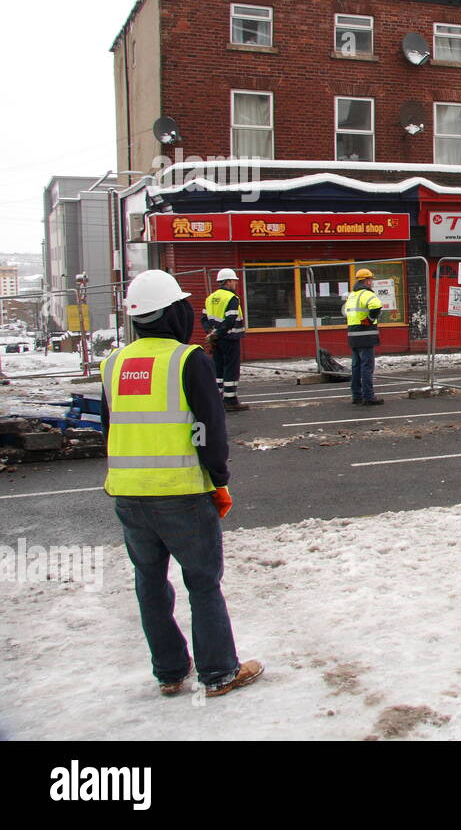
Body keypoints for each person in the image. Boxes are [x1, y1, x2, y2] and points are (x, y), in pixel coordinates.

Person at [102, 269, 262, 698]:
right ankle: (219, 672)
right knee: (203, 583)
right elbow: (210, 429)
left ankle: (170, 671)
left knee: (149, 584)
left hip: (128, 495)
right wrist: (219, 479)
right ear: (172, 312)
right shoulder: (187, 360)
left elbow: (110, 427)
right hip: (182, 492)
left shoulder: (113, 363)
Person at [202, 268, 248, 412]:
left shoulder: (210, 298)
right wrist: (218, 333)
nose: (235, 283)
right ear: (228, 282)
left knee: (219, 369)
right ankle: (230, 401)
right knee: (231, 369)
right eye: (234, 281)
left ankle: (218, 399)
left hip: (216, 340)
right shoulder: (231, 298)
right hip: (230, 338)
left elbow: (204, 319)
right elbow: (230, 320)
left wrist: (211, 334)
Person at [343, 268, 385, 406]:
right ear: (367, 281)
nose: (372, 282)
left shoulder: (352, 295)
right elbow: (377, 306)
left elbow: (345, 312)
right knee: (367, 367)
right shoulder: (366, 294)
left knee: (356, 366)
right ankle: (368, 396)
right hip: (365, 335)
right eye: (371, 280)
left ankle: (357, 395)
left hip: (353, 335)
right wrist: (370, 319)